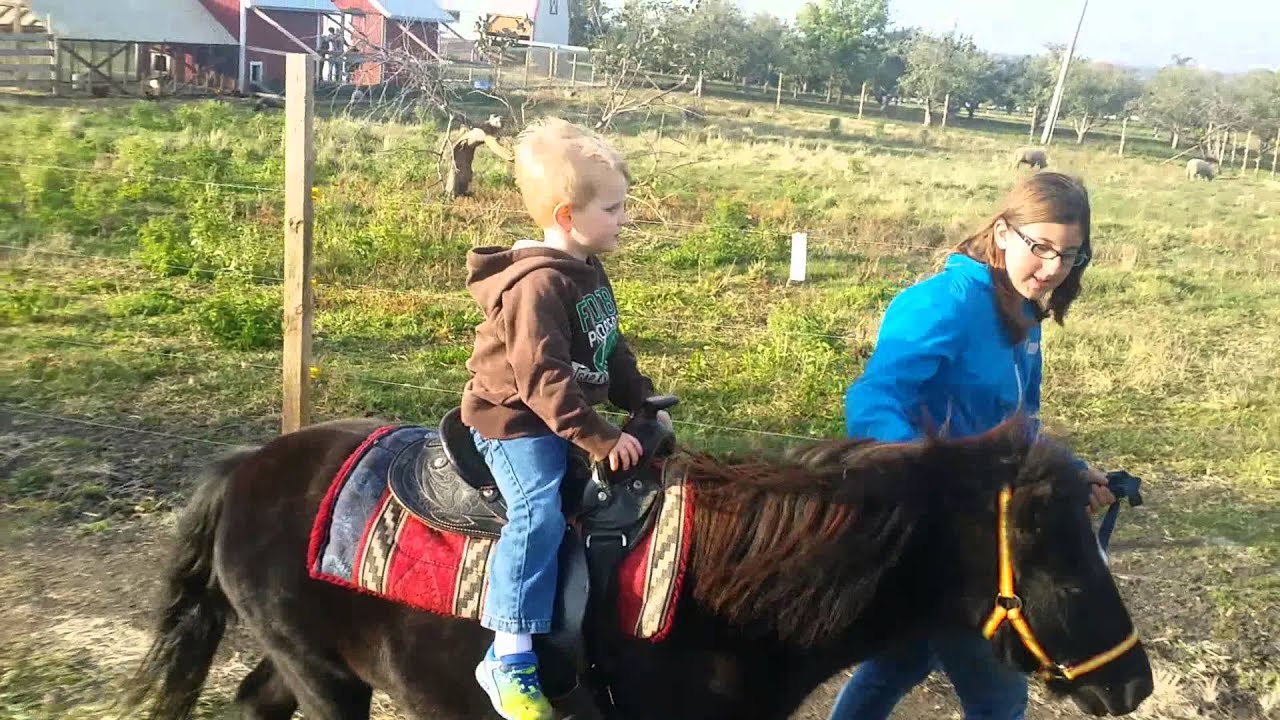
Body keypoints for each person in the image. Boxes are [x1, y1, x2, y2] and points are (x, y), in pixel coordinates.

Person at [831, 171, 1115, 720]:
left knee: (900, 663)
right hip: (942, 535)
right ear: (1004, 233)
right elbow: (872, 400)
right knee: (998, 698)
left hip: (981, 525)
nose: (1054, 267)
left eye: (1071, 254)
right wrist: (937, 478)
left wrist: (1070, 471)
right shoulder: (944, 304)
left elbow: (1018, 423)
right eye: (1042, 247)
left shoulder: (1022, 311)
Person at [461, 117, 665, 720]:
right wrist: (601, 438)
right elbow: (541, 380)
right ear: (569, 216)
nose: (623, 218)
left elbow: (609, 346)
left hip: (558, 412)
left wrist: (640, 398)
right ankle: (509, 657)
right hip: (515, 421)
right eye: (614, 208)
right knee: (539, 512)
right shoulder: (540, 285)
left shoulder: (586, 269)